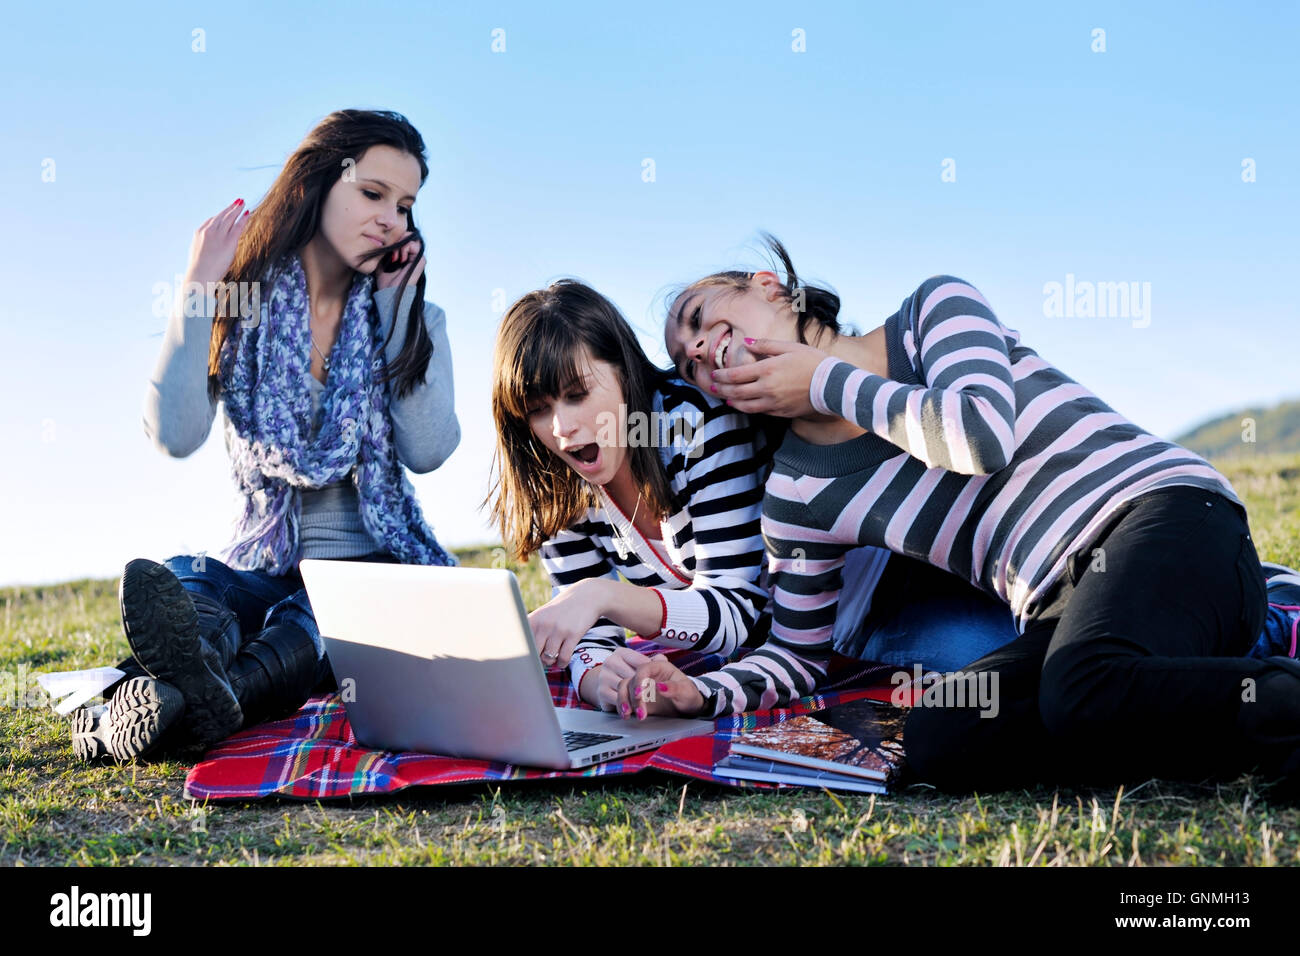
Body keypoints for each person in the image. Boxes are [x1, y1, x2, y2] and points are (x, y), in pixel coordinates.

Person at [619, 233, 1300, 793]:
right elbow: (796, 656)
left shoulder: (931, 313)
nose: (701, 351)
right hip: (1065, 606)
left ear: (769, 286)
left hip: (1165, 516)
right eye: (688, 360)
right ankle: (1200, 706)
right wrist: (699, 692)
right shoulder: (796, 494)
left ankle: (1272, 697)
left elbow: (979, 435)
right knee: (944, 740)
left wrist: (824, 381)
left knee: (1081, 690)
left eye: (702, 319)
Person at [72, 109, 459, 762]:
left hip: (370, 579)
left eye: (405, 204)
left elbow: (429, 449)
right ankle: (204, 680)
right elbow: (175, 433)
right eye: (373, 193)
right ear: (315, 184)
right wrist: (198, 285)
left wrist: (398, 313)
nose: (393, 217)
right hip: (264, 571)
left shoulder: (416, 319)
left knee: (324, 614)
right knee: (188, 576)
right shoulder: (236, 304)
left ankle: (187, 702)